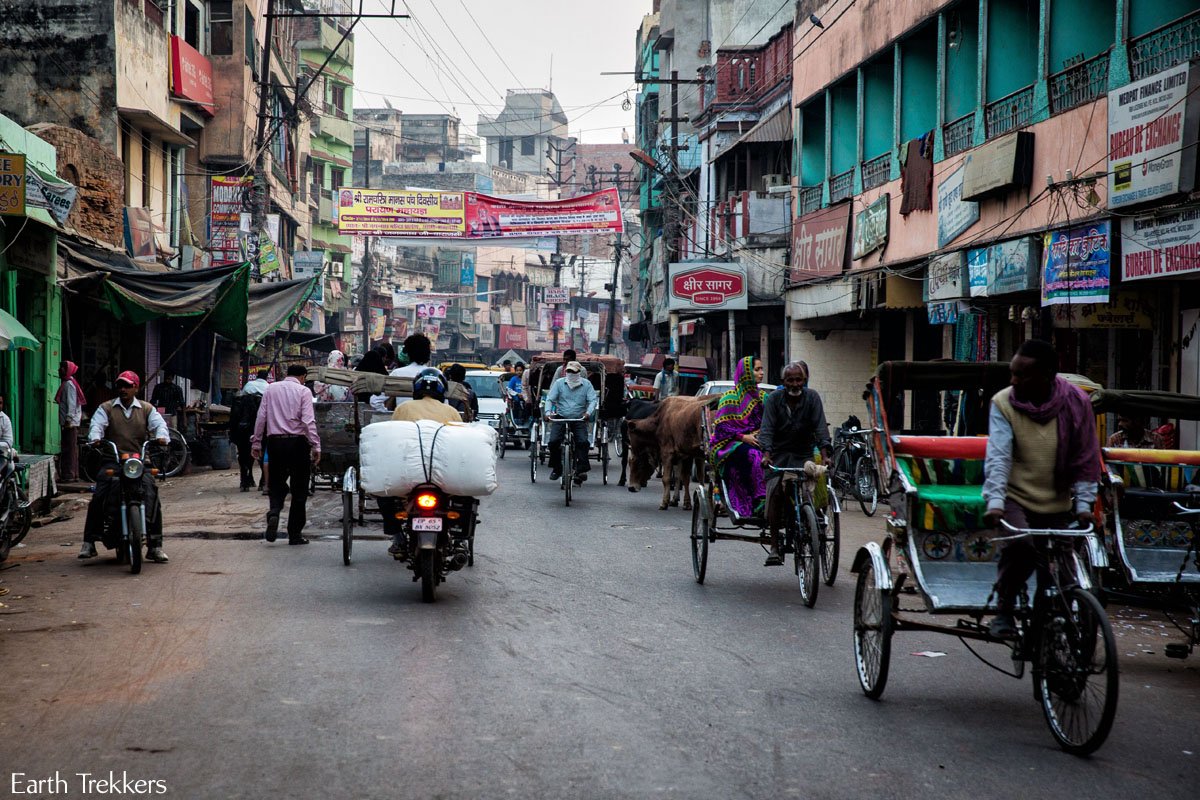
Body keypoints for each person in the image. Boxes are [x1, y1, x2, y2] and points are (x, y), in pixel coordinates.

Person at [982, 339, 1101, 639]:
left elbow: (1086, 456)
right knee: (1022, 547)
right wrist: (995, 502)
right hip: (1014, 498)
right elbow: (998, 456)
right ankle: (1004, 610)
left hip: (1057, 502)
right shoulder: (1003, 403)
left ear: (1047, 376)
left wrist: (1085, 506)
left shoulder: (1077, 402)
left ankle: (1055, 636)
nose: (1013, 380)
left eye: (1021, 375)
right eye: (1012, 373)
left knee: (1063, 577)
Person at [79, 371, 171, 563]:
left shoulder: (146, 409)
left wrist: (162, 437)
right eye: (120, 385)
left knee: (151, 492)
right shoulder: (107, 408)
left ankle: (155, 545)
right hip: (113, 460)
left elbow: (159, 426)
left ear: (136, 388)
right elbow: (96, 426)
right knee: (100, 494)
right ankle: (89, 542)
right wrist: (95, 438)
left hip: (139, 461)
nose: (123, 389)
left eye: (127, 386)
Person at [759, 361, 831, 566]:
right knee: (775, 494)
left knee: (809, 491)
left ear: (804, 380)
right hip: (779, 455)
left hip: (803, 454)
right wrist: (766, 454)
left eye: (798, 380)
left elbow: (820, 429)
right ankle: (774, 546)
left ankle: (811, 524)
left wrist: (825, 454)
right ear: (783, 382)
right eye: (790, 380)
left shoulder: (812, 398)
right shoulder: (773, 399)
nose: (795, 384)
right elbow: (767, 430)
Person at [385, 368, 462, 556]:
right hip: (444, 475)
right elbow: (460, 443)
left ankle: (397, 538)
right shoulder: (451, 411)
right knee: (465, 498)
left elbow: (393, 438)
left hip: (408, 476)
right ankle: (460, 538)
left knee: (385, 495)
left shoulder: (403, 409)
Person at [251, 364, 321, 546]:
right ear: (303, 376)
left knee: (276, 483)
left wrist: (256, 442)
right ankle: (295, 534)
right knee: (299, 489)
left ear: (286, 374)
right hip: (298, 443)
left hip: (275, 443)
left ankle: (274, 511)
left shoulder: (270, 389)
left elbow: (261, 417)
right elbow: (308, 420)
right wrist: (316, 445)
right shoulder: (304, 391)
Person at [708, 357, 769, 521]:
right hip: (731, 444)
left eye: (762, 369)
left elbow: (772, 422)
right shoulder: (730, 398)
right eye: (757, 369)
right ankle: (760, 500)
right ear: (745, 373)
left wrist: (760, 434)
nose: (761, 373)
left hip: (760, 441)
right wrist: (744, 437)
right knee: (755, 457)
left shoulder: (764, 398)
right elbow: (721, 428)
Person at [545, 360, 597, 483]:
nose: (571, 374)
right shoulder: (559, 383)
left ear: (579, 372)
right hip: (561, 417)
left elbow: (593, 400)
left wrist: (588, 413)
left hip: (579, 418)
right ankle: (557, 468)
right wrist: (547, 413)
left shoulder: (587, 384)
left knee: (583, 442)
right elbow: (550, 399)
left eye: (573, 372)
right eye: (569, 371)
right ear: (566, 372)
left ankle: (581, 469)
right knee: (553, 442)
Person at [376, 334, 433, 412]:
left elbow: (375, 401)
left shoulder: (397, 373)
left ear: (408, 353)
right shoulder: (436, 375)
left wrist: (389, 415)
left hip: (404, 420)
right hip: (430, 422)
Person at [229, 387, 264, 491]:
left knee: (243, 454)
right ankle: (261, 481)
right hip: (252, 429)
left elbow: (233, 420)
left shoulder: (239, 402)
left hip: (243, 430)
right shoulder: (260, 400)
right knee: (259, 454)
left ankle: (245, 481)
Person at [57, 361, 84, 481]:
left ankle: (69, 475)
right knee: (71, 448)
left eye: (61, 368)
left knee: (69, 449)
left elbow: (71, 404)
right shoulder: (68, 383)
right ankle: (73, 474)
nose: (59, 370)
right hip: (70, 422)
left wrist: (68, 419)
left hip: (70, 423)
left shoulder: (69, 384)